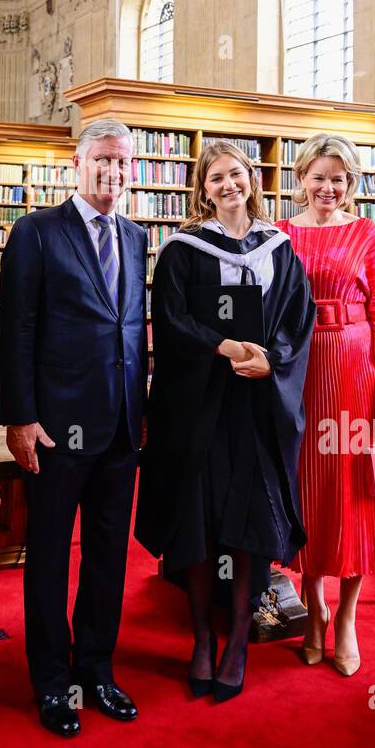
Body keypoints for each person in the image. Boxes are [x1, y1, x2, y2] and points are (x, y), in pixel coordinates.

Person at [135, 141, 315, 702]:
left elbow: (296, 319)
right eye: (215, 178)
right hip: (200, 407)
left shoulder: (280, 250)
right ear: (202, 188)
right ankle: (201, 641)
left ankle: (237, 639)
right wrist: (221, 345)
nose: (227, 185)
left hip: (257, 406)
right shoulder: (182, 250)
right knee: (200, 519)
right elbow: (169, 319)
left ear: (252, 179)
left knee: (250, 520)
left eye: (235, 174)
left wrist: (274, 359)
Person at [0, 118, 148, 737]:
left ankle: (97, 668)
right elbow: (18, 330)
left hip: (120, 427)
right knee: (51, 556)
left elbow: (130, 329)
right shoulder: (35, 233)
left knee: (110, 556)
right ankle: (52, 683)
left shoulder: (137, 237)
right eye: (102, 161)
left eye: (122, 163)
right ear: (77, 166)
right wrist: (21, 416)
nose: (112, 172)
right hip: (57, 427)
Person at [278, 133, 375, 677]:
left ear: (351, 184)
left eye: (339, 178)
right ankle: (313, 609)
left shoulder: (366, 233)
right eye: (318, 176)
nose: (328, 187)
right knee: (309, 492)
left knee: (355, 495)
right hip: (299, 376)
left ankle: (348, 617)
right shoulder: (280, 234)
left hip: (355, 375)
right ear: (301, 177)